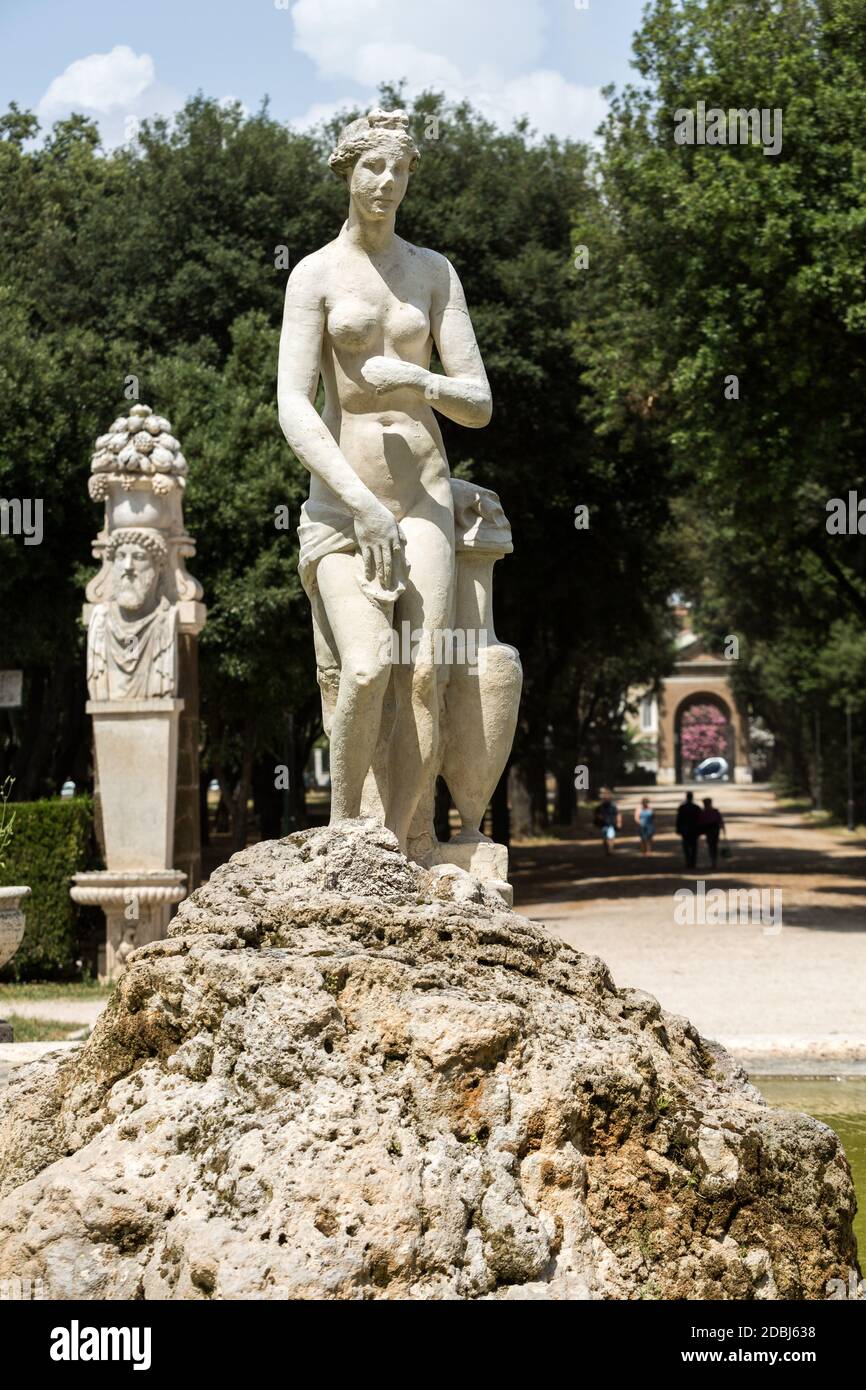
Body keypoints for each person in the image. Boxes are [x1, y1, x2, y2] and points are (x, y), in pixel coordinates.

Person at [277, 108, 493, 853]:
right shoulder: (313, 274)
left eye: (398, 171)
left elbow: (478, 404)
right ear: (347, 172)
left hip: (424, 500)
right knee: (366, 670)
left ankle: (403, 848)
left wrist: (414, 376)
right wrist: (360, 504)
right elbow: (292, 406)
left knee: (426, 674)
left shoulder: (433, 272)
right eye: (373, 168)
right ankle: (346, 838)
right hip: (343, 507)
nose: (386, 183)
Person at [675, 790, 701, 869]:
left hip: (685, 830)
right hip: (694, 830)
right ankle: (692, 863)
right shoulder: (696, 807)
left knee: (686, 846)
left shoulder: (682, 807)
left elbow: (679, 819)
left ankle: (688, 862)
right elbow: (700, 820)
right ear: (692, 797)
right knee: (694, 847)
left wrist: (678, 829)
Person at [698, 797, 725, 869]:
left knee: (712, 845)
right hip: (712, 830)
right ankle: (713, 860)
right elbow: (720, 821)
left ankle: (713, 860)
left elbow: (701, 822)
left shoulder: (707, 812)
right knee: (713, 845)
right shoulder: (712, 811)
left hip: (711, 830)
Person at [594, 787, 622, 855]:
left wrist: (619, 822)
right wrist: (600, 818)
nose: (607, 799)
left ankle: (610, 850)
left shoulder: (613, 806)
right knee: (605, 838)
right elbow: (596, 814)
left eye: (608, 798)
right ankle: (607, 848)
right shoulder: (600, 807)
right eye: (605, 798)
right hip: (603, 824)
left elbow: (618, 814)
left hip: (611, 824)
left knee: (611, 837)